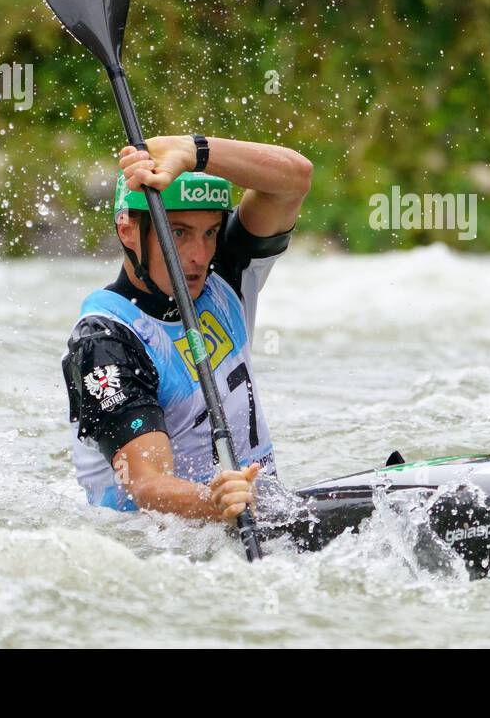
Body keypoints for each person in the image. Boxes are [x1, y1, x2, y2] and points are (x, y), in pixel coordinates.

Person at [61, 133, 312, 522]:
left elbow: (295, 179)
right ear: (128, 230)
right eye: (178, 234)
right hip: (160, 546)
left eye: (209, 232)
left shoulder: (224, 274)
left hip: (262, 512)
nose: (197, 257)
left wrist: (195, 152)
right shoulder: (104, 340)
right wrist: (212, 503)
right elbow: (146, 483)